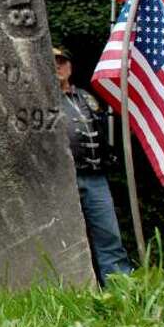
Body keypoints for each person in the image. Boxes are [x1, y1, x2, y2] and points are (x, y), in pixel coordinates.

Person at [54, 45, 132, 283]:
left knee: (108, 235)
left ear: (70, 66)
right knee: (63, 240)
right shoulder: (40, 100)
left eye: (62, 61)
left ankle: (120, 290)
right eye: (52, 62)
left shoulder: (86, 97)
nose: (57, 66)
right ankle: (70, 291)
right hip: (60, 182)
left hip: (95, 176)